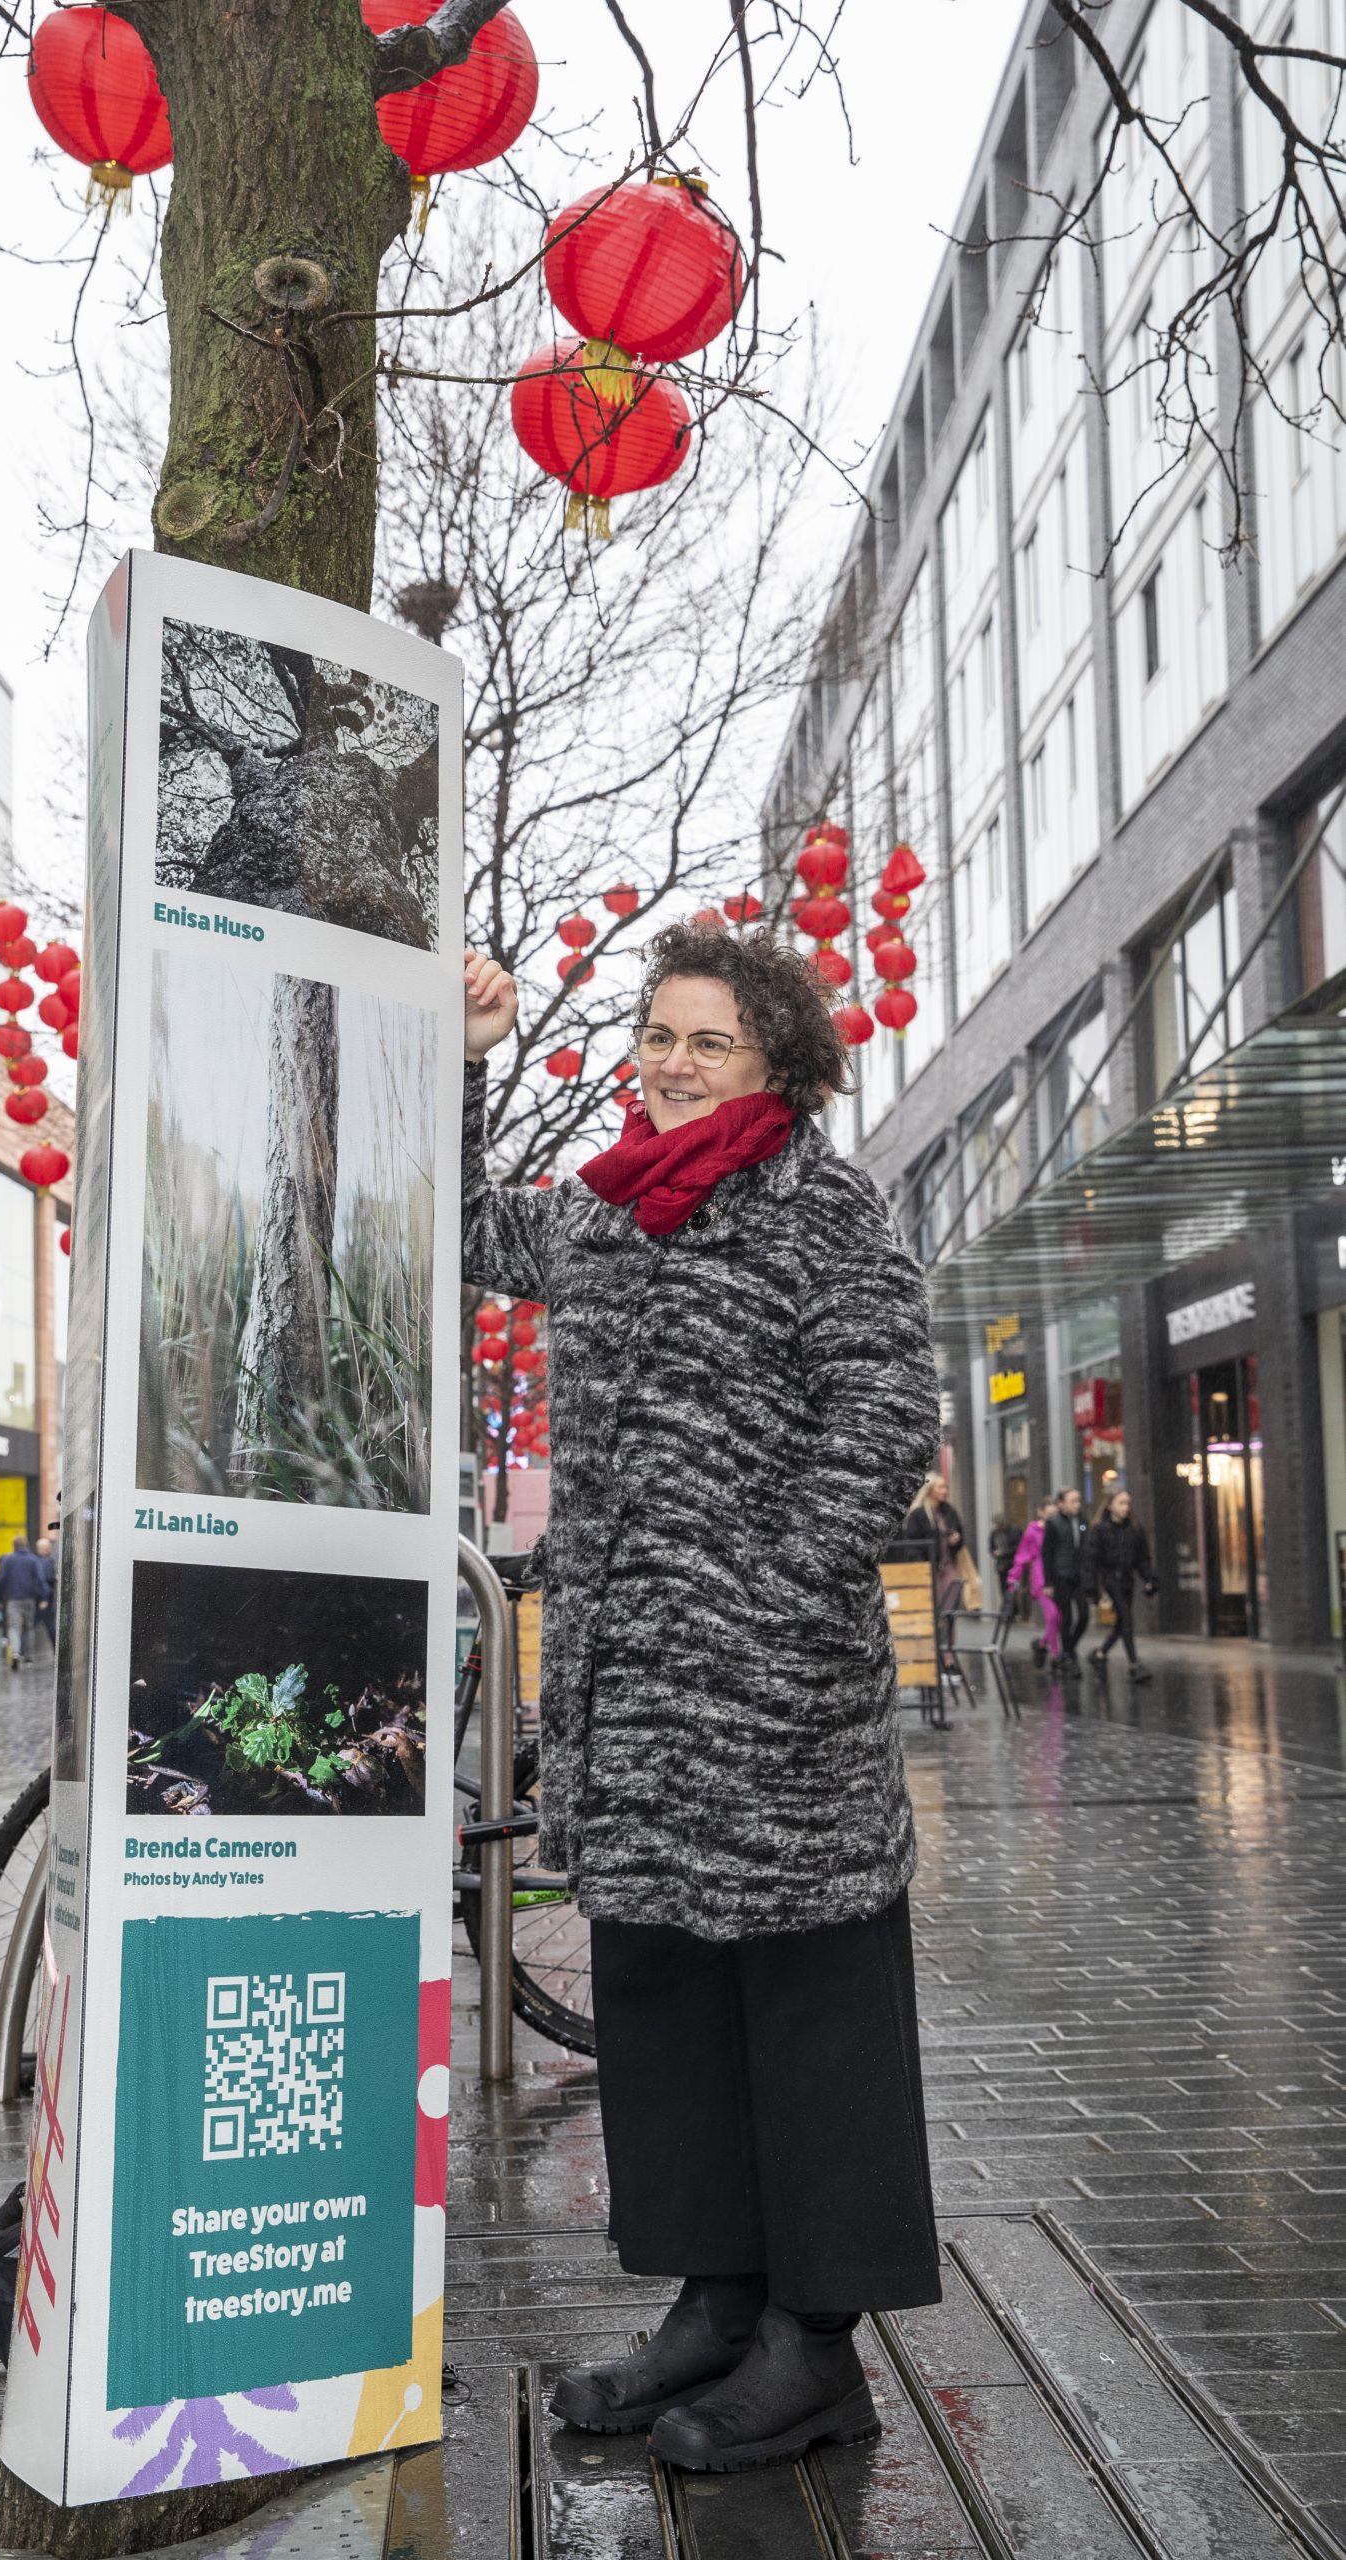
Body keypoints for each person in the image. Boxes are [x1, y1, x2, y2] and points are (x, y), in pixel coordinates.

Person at [463, 923, 941, 2474]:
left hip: (774, 1695)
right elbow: (457, 1224)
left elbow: (884, 1411)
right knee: (662, 2002)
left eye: (706, 1040)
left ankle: (816, 2347)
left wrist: (779, 1588)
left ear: (777, 1064)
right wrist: (466, 1059)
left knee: (806, 2012)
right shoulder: (603, 1215)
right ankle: (712, 2307)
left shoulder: (820, 1206)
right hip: (631, 1692)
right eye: (655, 1035)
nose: (668, 1061)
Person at [1085, 1489, 1157, 1683]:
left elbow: (1142, 1558)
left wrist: (1149, 1578)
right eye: (1121, 1503)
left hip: (1127, 1579)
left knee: (1121, 1623)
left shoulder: (1133, 1528)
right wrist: (1091, 1588)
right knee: (1126, 1618)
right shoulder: (1100, 1529)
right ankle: (1134, 1664)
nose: (1125, 1507)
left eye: (1127, 1503)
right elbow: (1091, 1560)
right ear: (1110, 1505)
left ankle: (1100, 1653)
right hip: (1110, 1579)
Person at [901, 1473, 968, 1669]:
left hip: (949, 1571)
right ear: (929, 1489)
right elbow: (912, 1546)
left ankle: (948, 1658)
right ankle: (933, 1660)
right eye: (940, 1487)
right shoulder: (919, 1515)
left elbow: (960, 1537)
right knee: (931, 1616)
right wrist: (922, 1568)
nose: (944, 1491)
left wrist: (956, 1539)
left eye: (945, 1487)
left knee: (949, 1614)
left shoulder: (949, 1511)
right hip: (929, 1573)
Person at [1006, 1498, 1061, 1663]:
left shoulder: (1058, 1529)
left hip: (1057, 1577)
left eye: (1054, 1514)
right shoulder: (1032, 1532)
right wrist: (1013, 1578)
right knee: (1052, 1616)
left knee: (1059, 1618)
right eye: (1049, 1514)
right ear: (1041, 1512)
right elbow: (1022, 1556)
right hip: (1040, 1579)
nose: (1052, 1518)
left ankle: (1042, 1643)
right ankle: (1056, 1655)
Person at [1041, 1487, 1091, 1668]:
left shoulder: (1082, 1521)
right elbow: (1047, 1553)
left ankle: (1069, 1649)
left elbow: (1085, 1541)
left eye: (1078, 1500)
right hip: (1061, 1575)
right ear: (1061, 1504)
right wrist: (1048, 1582)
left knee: (1084, 1615)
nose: (1077, 1504)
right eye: (1073, 1501)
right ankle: (1068, 1656)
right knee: (1066, 1618)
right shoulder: (1053, 1523)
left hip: (1079, 1575)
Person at [0, 1536, 47, 1667]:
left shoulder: (8, 1560)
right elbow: (40, 1580)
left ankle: (16, 1652)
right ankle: (28, 1658)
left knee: (13, 1627)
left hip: (13, 1599)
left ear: (14, 1546)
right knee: (29, 1627)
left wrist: (0, 1599)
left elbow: (1, 1580)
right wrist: (43, 1598)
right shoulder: (33, 1560)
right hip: (30, 1599)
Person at [34, 1533, 58, 1654]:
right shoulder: (46, 1562)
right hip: (45, 1599)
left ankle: (21, 1651)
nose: (49, 1549)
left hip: (35, 1598)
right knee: (50, 1626)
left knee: (29, 1626)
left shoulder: (35, 1561)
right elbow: (47, 1579)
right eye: (48, 1547)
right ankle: (57, 1649)